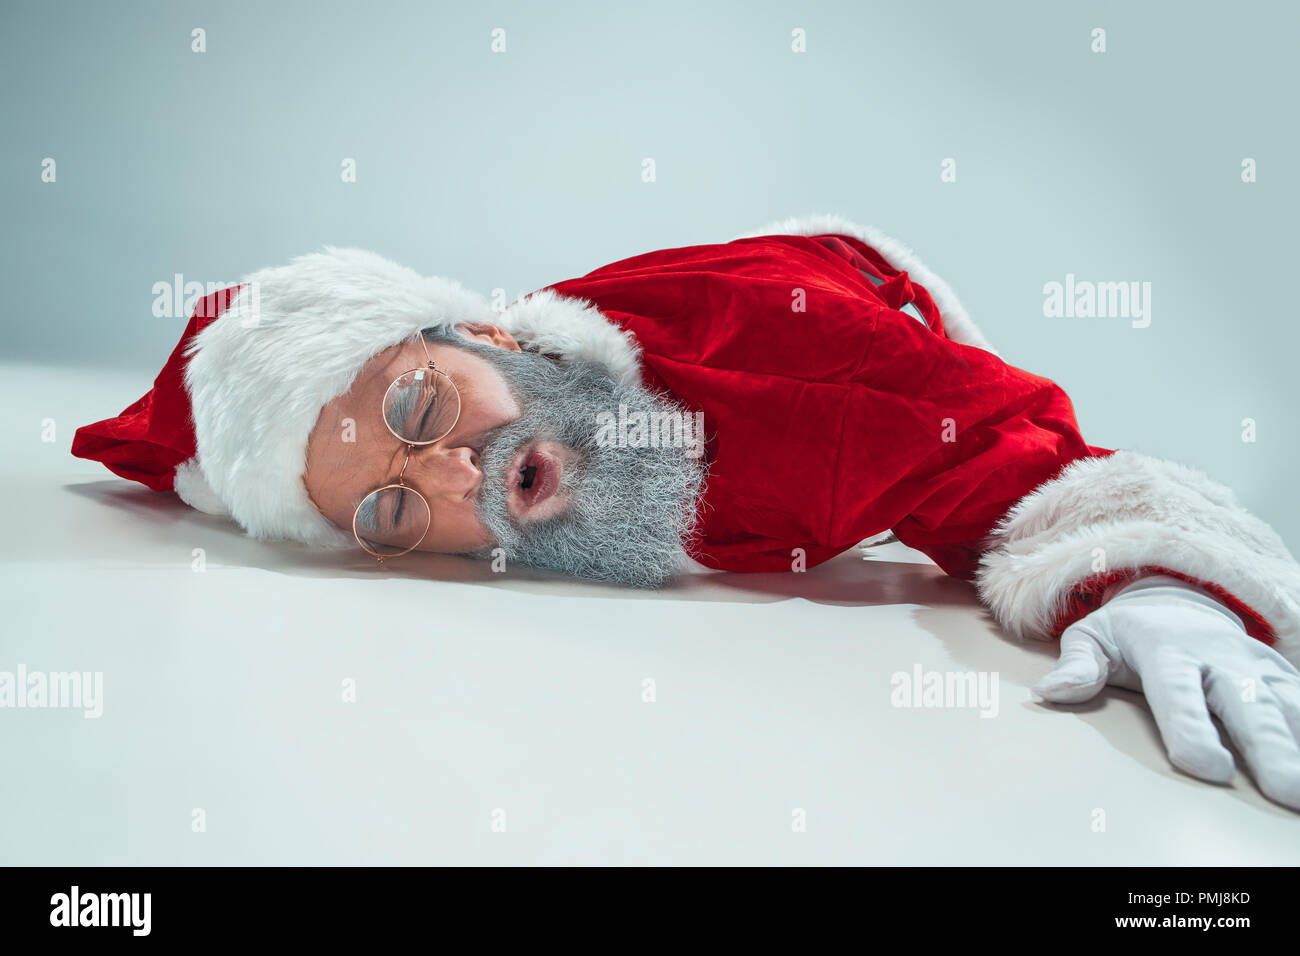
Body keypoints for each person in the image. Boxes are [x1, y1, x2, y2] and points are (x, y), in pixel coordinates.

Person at [73, 215, 1300, 811]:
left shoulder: (790, 376)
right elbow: (165, 442)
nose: (451, 473)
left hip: (849, 289)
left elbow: (1009, 455)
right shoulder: (499, 512)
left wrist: (1154, 577)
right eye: (390, 508)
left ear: (485, 331)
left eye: (416, 398)